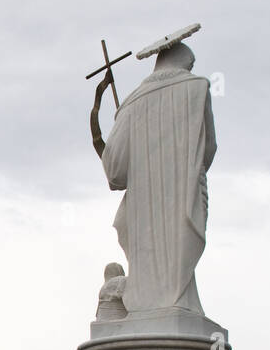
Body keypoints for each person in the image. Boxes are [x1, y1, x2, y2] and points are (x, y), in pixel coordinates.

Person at [90, 39, 216, 316]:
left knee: (148, 261)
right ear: (185, 63)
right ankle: (175, 303)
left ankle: (146, 303)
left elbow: (115, 172)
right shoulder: (198, 87)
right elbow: (208, 151)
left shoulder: (131, 102)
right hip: (183, 199)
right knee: (176, 266)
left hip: (141, 210)